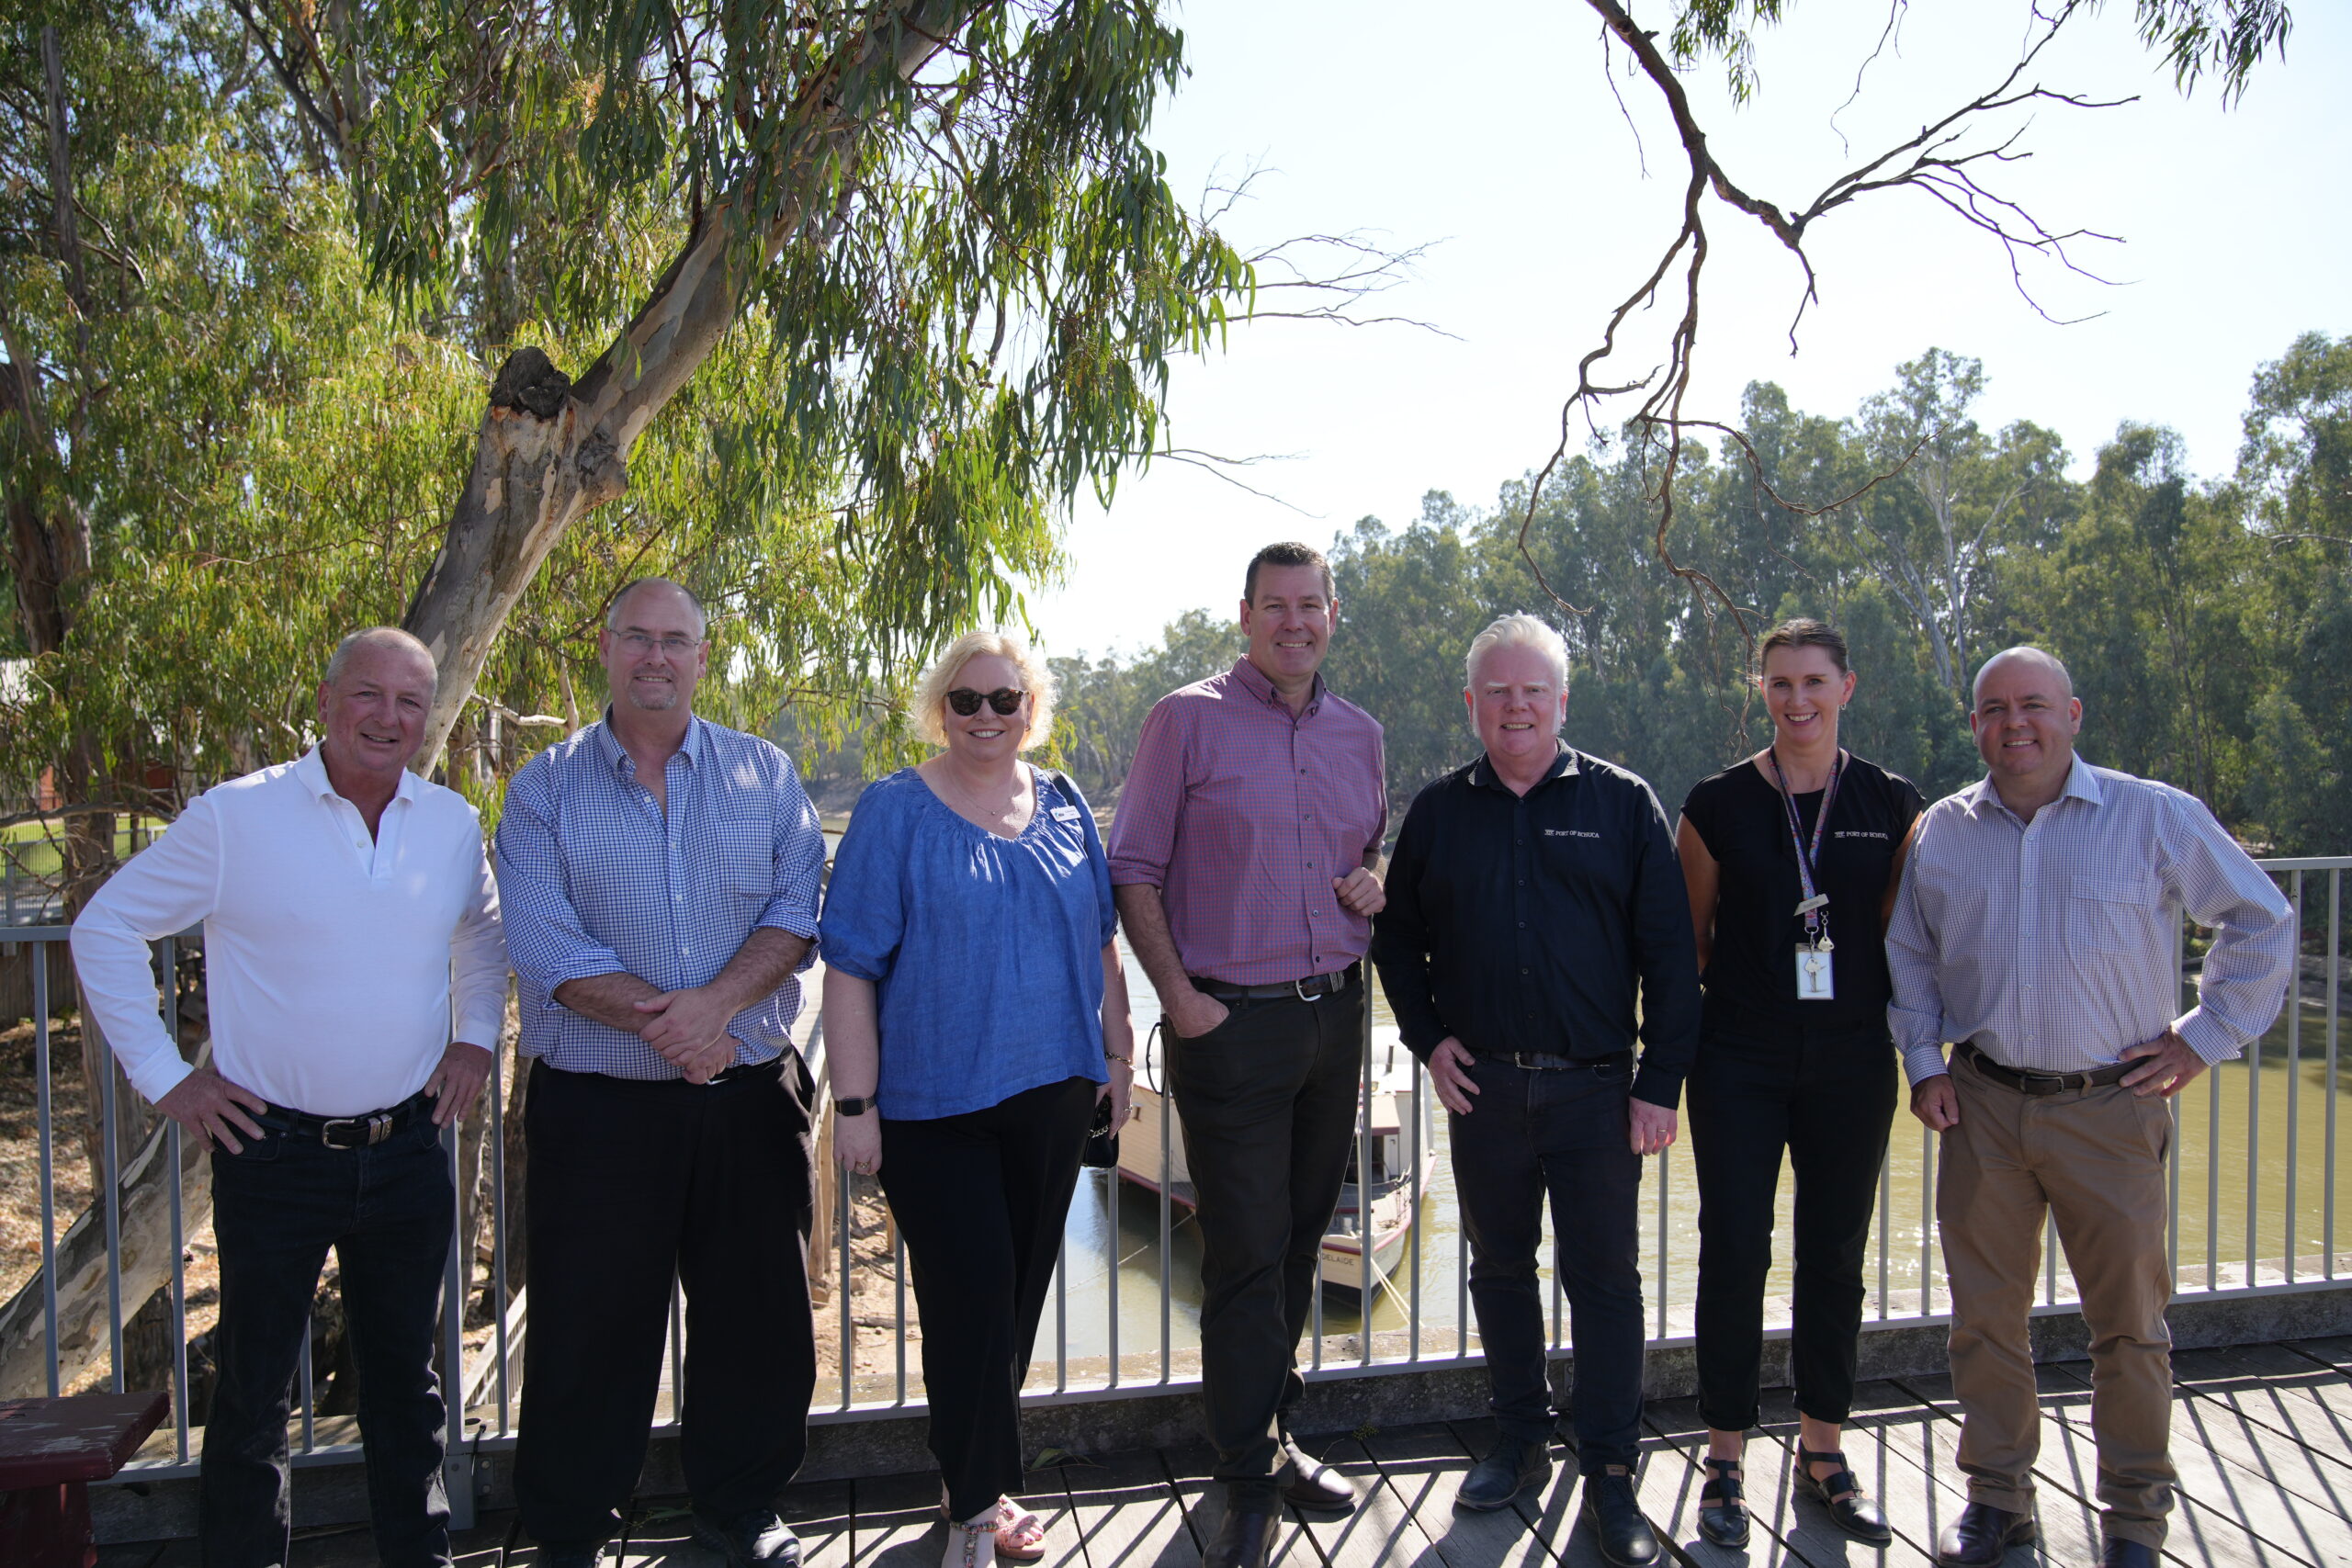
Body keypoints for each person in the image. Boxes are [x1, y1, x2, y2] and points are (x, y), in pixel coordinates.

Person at [71, 627, 506, 1568]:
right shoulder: (238, 818)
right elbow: (105, 928)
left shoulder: (449, 822)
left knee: (407, 1387)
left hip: (406, 1149)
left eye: (409, 703)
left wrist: (478, 1034)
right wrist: (168, 1079)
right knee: (256, 1394)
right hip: (272, 1155)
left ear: (428, 718)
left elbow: (480, 936)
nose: (387, 718)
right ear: (324, 701)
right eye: (368, 695)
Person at [1888, 646, 2295, 1568]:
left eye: (2032, 704)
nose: (2013, 724)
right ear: (1975, 725)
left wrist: (2205, 1034)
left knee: (2128, 1328)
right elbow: (1909, 954)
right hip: (1982, 1104)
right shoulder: (1944, 832)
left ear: (2073, 714)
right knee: (1984, 1323)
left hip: (2111, 1107)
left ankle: (2134, 1522)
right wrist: (1922, 1063)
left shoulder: (2153, 816)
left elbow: (2261, 917)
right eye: (1993, 709)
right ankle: (1998, 1503)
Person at [495, 578, 828, 1568]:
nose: (655, 656)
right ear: (605, 650)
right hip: (598, 1111)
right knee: (589, 1322)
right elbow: (547, 946)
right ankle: (569, 1528)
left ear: (702, 655)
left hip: (748, 1100)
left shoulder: (764, 775)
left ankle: (740, 1510)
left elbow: (796, 910)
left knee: (757, 1318)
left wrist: (714, 1010)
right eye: (636, 638)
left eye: (674, 640)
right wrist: (680, 1028)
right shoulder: (543, 786)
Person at [1369, 613, 1697, 1568]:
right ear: (1472, 703)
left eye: (1534, 691)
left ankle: (1610, 1474)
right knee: (1500, 1273)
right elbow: (1396, 941)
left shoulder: (1622, 804)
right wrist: (1427, 1041)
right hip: (1483, 1097)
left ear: (1563, 700)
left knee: (1604, 1287)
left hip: (1597, 1097)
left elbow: (1670, 959)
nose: (1516, 707)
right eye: (1498, 692)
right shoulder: (1437, 813)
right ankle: (1520, 1443)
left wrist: (1659, 1084)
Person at [819, 631, 1135, 1568]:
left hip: (1053, 1093)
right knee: (970, 1300)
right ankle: (978, 1507)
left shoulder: (1070, 804)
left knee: (1014, 1300)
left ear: (1030, 710)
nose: (986, 717)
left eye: (1005, 700)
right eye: (967, 701)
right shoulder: (893, 811)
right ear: (939, 710)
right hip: (930, 1106)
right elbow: (849, 968)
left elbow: (1101, 944)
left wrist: (1118, 1053)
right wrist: (854, 1106)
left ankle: (970, 1484)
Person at [1105, 540, 1387, 1568]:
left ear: (1331, 614)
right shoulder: (1185, 718)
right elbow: (1131, 867)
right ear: (1244, 615)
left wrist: (1373, 879)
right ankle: (1241, 1477)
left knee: (1303, 1242)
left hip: (1335, 1018)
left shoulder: (1360, 733)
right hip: (1229, 1024)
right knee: (1243, 1254)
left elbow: (1365, 846)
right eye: (1275, 607)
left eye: (1309, 606)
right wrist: (1178, 1000)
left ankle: (1278, 1434)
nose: (1293, 623)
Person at [1676, 617, 1924, 1548]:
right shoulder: (1716, 802)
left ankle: (1822, 1449)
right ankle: (1725, 1455)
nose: (1796, 700)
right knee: (1733, 1250)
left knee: (1834, 1257)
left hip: (1853, 1059)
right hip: (1738, 1057)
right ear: (1762, 690)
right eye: (1778, 683)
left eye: (1813, 681)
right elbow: (1687, 937)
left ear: (1846, 687)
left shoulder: (1892, 800)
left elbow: (1904, 936)